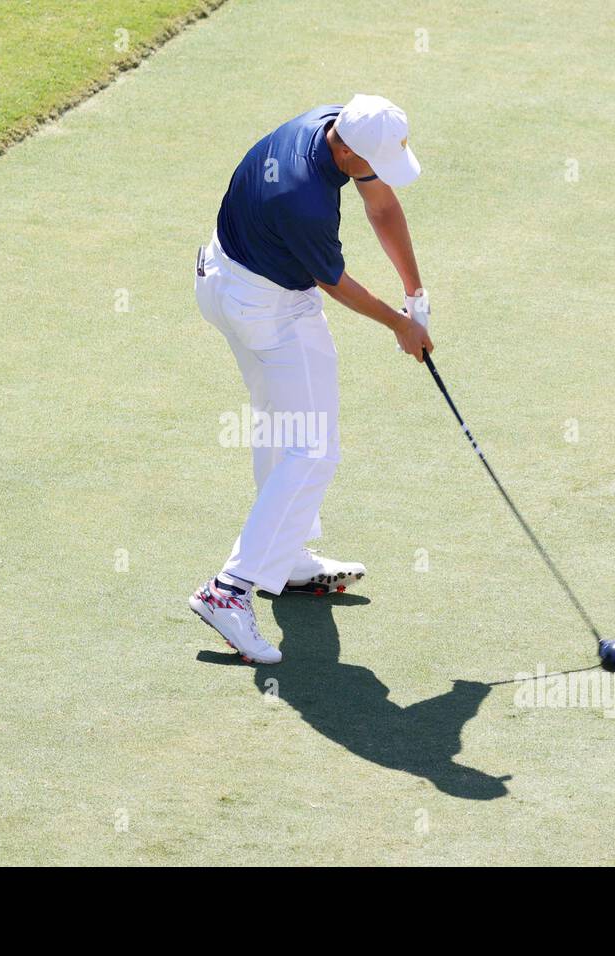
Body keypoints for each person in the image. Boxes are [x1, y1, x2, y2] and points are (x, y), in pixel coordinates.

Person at [190, 94, 433, 664]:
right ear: (345, 148)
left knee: (283, 426)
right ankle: (230, 589)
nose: (374, 173)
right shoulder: (303, 198)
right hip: (267, 308)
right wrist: (400, 325)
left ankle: (286, 555)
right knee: (314, 448)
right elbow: (335, 284)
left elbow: (382, 207)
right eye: (367, 163)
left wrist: (415, 293)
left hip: (226, 278)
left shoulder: (338, 124)